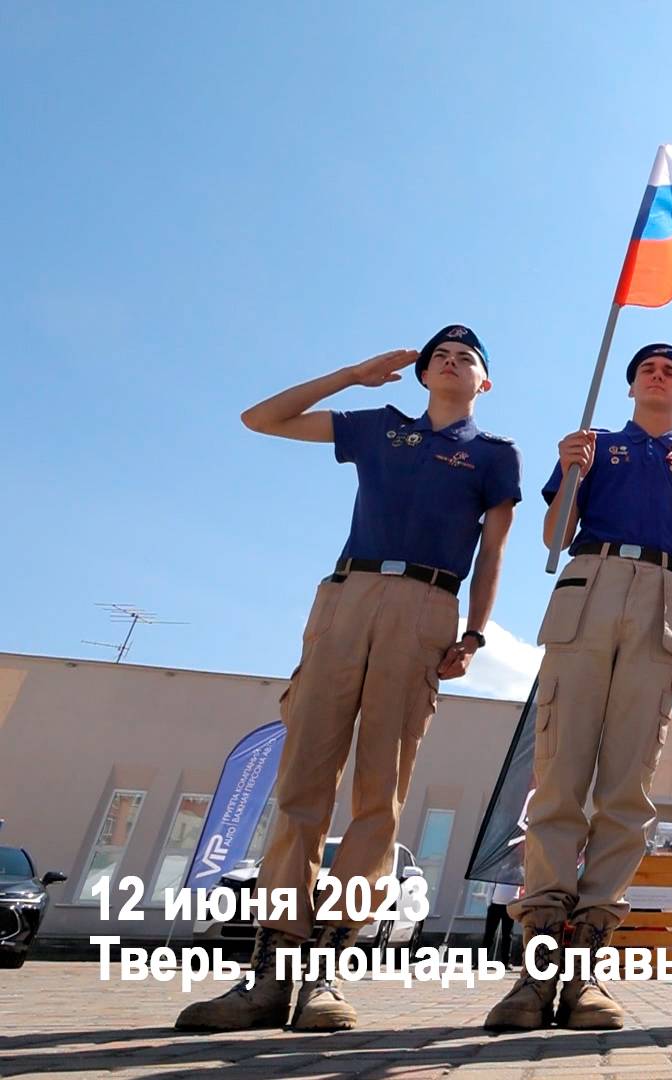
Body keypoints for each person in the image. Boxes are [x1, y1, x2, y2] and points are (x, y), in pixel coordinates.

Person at [177, 327, 520, 1034]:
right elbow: (260, 420)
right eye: (440, 358)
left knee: (379, 790)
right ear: (423, 375)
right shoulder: (378, 429)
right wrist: (350, 375)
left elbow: (493, 552)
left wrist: (476, 632)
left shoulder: (495, 455)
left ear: (484, 384)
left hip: (428, 604)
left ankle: (326, 967)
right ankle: (273, 970)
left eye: (467, 360)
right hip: (345, 596)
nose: (452, 364)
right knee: (303, 779)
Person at [486, 343, 672, 1032]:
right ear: (630, 387)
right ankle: (536, 973)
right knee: (560, 777)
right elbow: (554, 536)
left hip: (664, 601)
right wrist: (569, 473)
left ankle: (584, 968)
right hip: (589, 586)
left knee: (627, 785)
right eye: (649, 368)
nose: (661, 375)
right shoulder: (592, 447)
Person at [483, 880, 521, 966]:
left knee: (507, 936)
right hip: (495, 905)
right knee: (489, 935)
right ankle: (480, 961)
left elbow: (522, 888)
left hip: (510, 906)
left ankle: (505, 962)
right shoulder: (499, 873)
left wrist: (517, 906)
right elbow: (490, 888)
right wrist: (489, 904)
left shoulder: (519, 873)